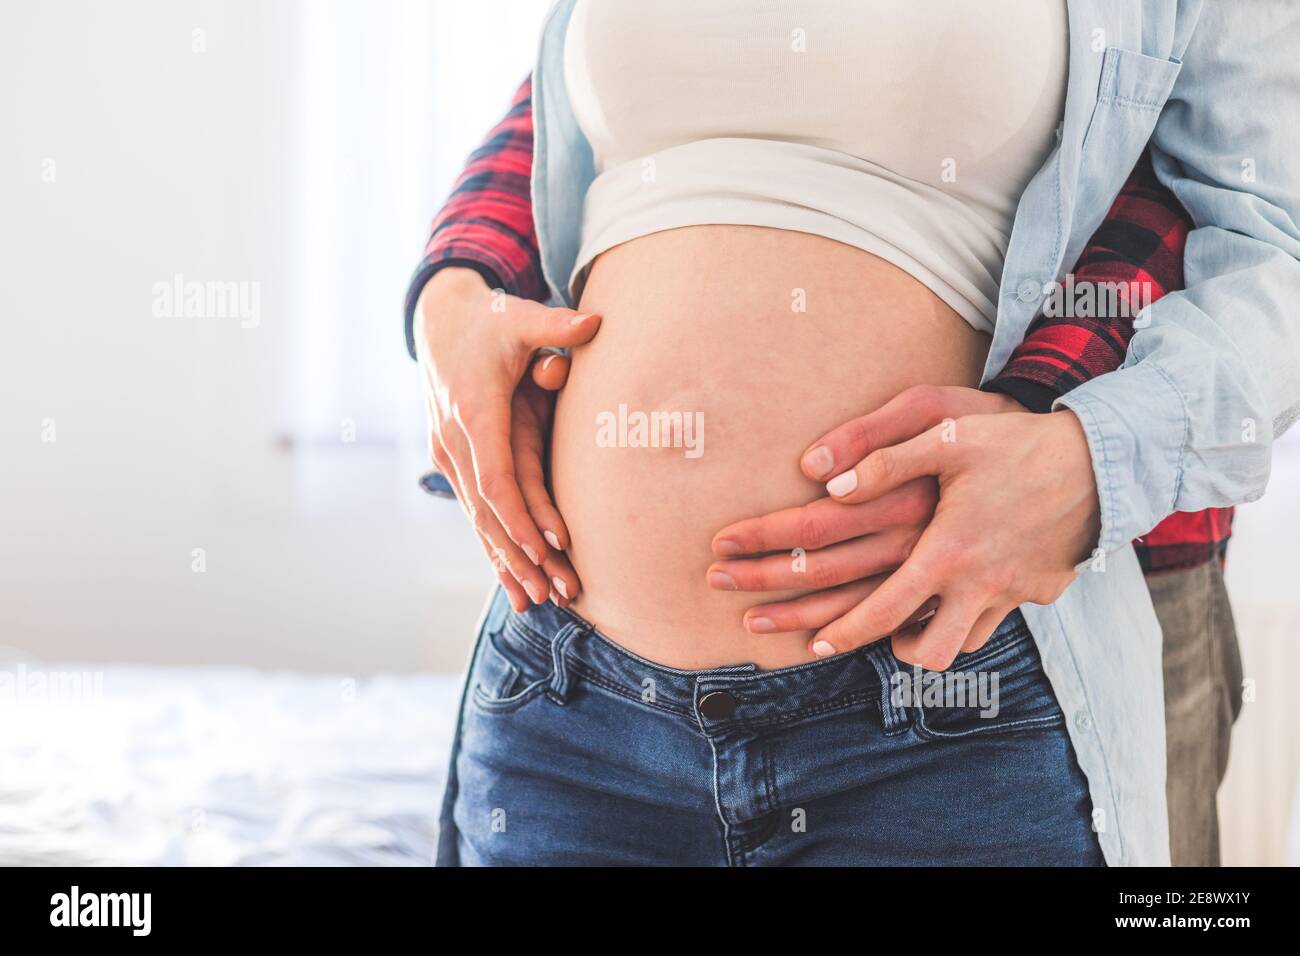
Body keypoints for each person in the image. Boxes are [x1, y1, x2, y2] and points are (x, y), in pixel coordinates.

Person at [409, 1, 1299, 866]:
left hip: (952, 692)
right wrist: (453, 291)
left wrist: (1085, 455)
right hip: (568, 706)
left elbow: (1263, 230)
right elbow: (582, 99)